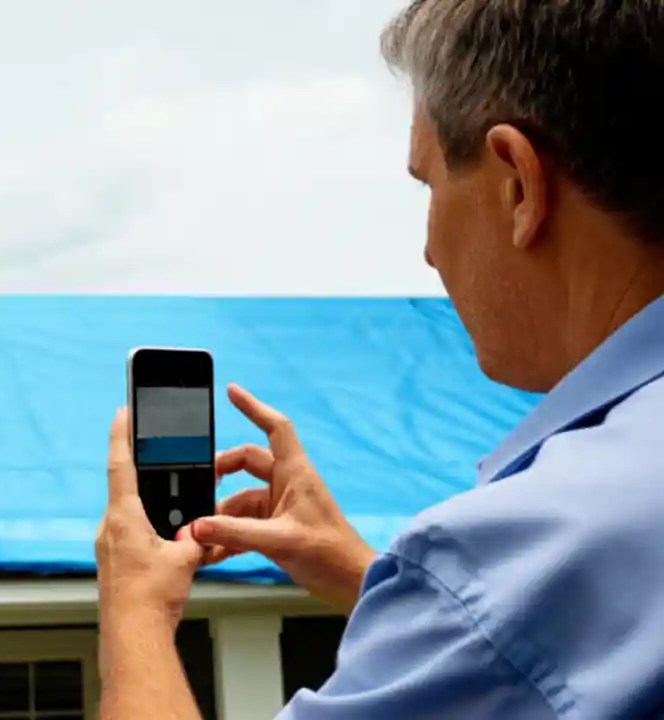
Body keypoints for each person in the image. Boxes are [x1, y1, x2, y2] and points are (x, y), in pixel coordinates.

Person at [95, 1, 664, 717]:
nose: (428, 251)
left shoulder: (526, 550)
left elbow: (513, 635)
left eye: (427, 184)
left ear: (519, 183)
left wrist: (135, 610)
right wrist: (378, 579)